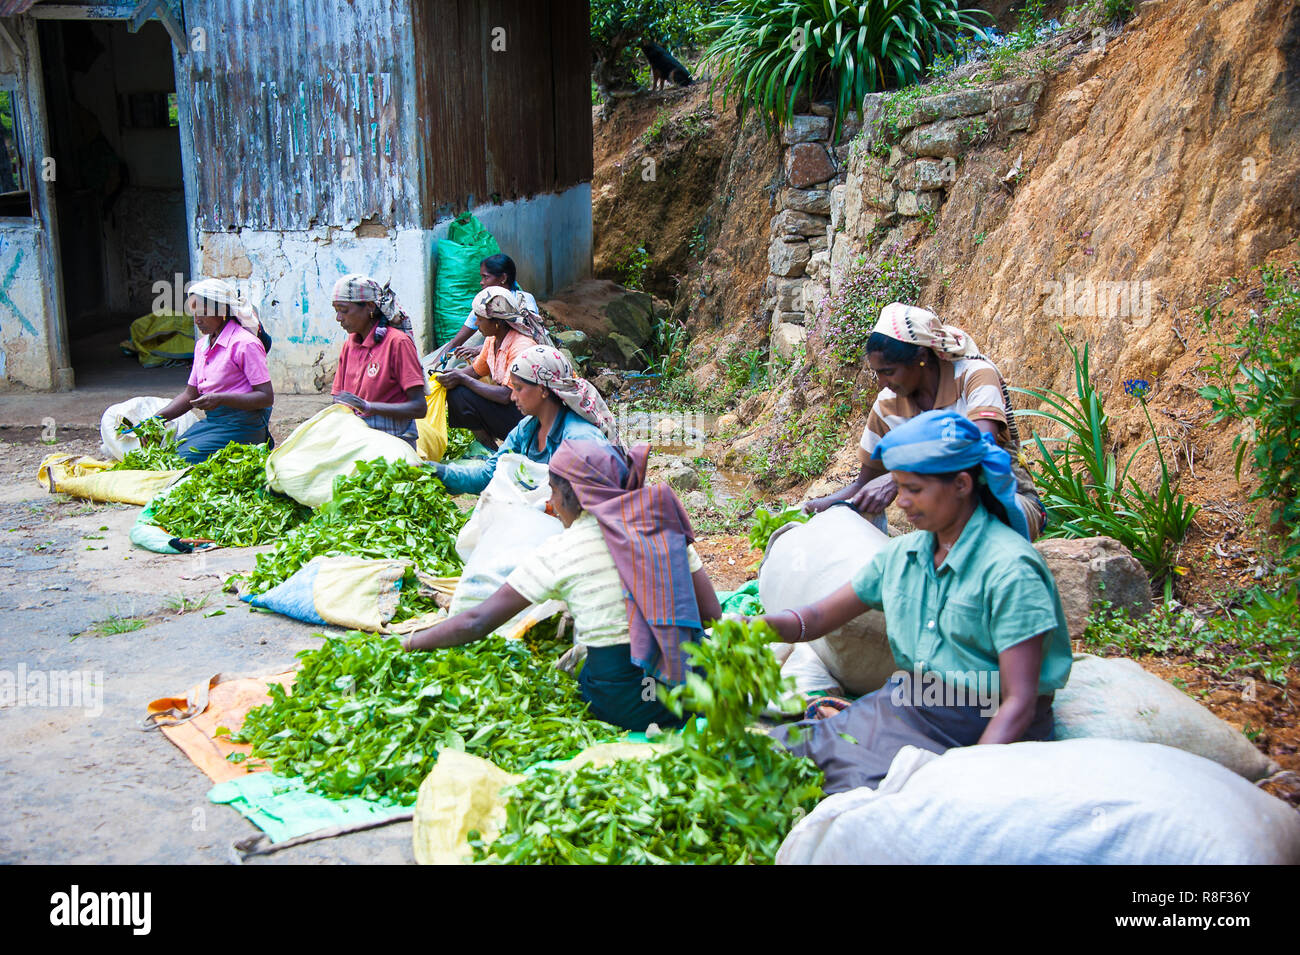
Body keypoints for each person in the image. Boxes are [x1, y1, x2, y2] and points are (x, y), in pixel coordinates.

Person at [762, 409, 1072, 794]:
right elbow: (817, 617)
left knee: (855, 793)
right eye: (900, 488)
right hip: (911, 704)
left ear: (961, 484)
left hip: (979, 722)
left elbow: (1019, 702)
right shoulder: (906, 554)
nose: (901, 502)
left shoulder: (1010, 570)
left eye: (915, 490)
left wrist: (963, 782)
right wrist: (756, 629)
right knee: (774, 756)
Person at [406, 439, 722, 732]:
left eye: (553, 492)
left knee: (583, 672)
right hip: (690, 688)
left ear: (572, 497)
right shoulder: (659, 522)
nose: (550, 502)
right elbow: (710, 615)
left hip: (626, 702)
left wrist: (409, 643)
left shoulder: (562, 550)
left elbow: (476, 621)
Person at [805, 302, 1046, 539]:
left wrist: (897, 478)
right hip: (940, 521)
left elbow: (980, 448)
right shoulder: (887, 404)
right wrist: (816, 508)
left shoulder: (974, 376)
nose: (881, 382)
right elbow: (863, 486)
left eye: (888, 371)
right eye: (877, 373)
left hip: (1005, 503)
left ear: (921, 357)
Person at [432, 345, 618, 496]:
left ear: (544, 389)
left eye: (518, 388)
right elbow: (488, 476)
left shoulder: (580, 440)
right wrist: (437, 472)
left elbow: (596, 505)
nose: (512, 397)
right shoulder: (526, 430)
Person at [154, 278, 273, 463]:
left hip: (243, 425)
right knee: (167, 456)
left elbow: (266, 397)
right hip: (214, 422)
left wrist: (221, 398)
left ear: (223, 311)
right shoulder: (203, 345)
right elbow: (189, 395)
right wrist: (155, 420)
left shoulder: (244, 344)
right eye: (194, 314)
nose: (197, 320)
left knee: (181, 461)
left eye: (203, 313)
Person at [434, 288, 554, 451]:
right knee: (457, 392)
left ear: (497, 322)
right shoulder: (492, 340)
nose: (476, 324)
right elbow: (476, 371)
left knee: (462, 389)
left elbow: (506, 395)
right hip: (515, 409)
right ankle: (490, 448)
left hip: (533, 418)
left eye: (480, 319)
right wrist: (442, 377)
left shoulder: (521, 346)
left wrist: (462, 379)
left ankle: (511, 448)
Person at [330, 274, 427, 447]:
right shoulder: (350, 345)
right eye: (336, 310)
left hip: (394, 439)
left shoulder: (397, 343)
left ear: (370, 307)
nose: (338, 317)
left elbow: (419, 407)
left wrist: (369, 407)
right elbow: (339, 399)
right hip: (356, 436)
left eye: (344, 310)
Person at [432, 253, 539, 364]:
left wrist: (480, 349)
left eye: (486, 277)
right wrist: (433, 367)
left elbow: (528, 335)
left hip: (521, 358)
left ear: (503, 278)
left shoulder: (524, 300)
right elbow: (457, 341)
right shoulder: (484, 304)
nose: (481, 282)